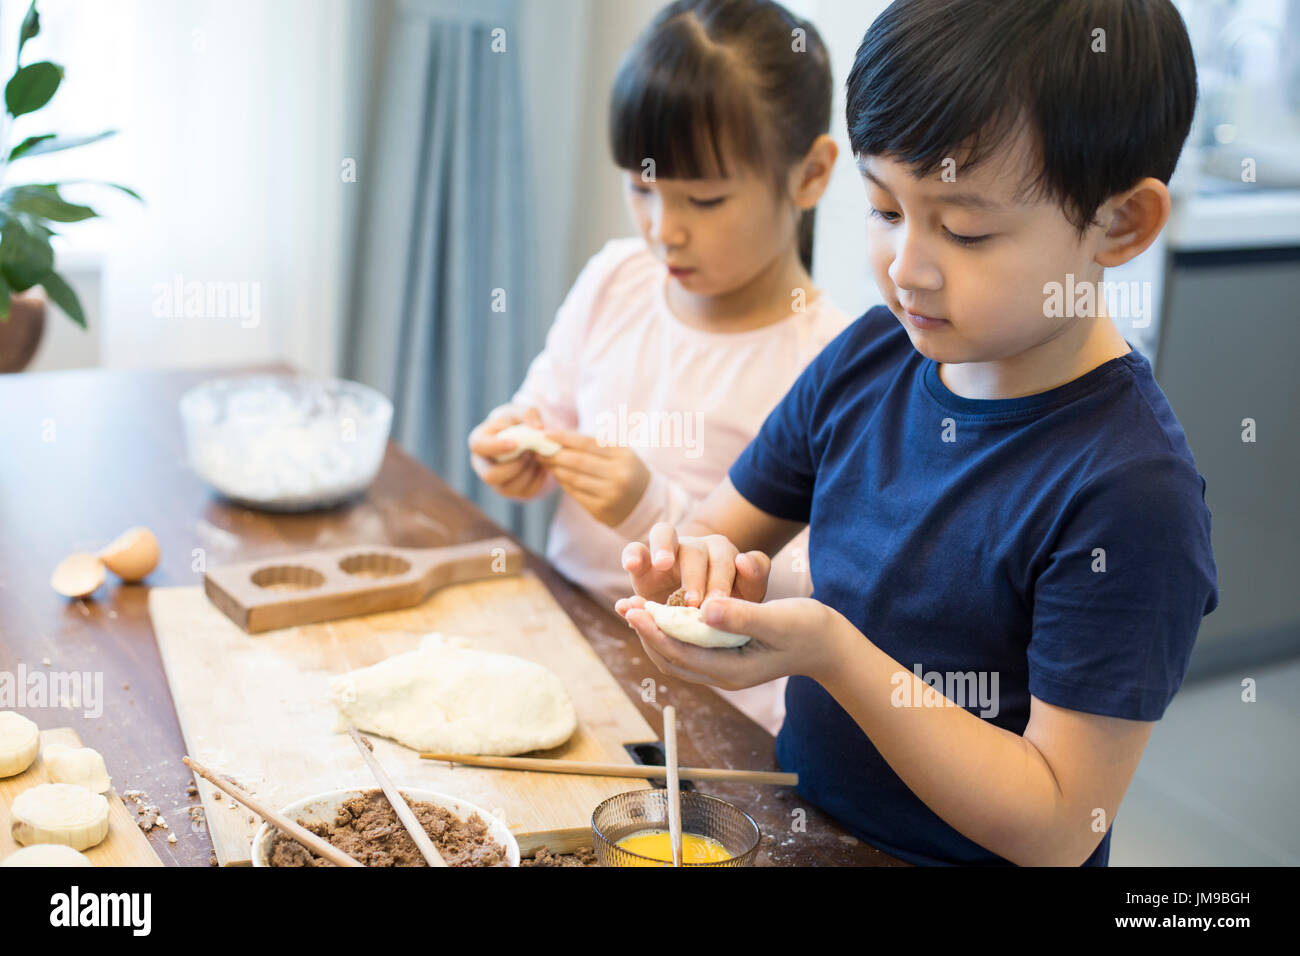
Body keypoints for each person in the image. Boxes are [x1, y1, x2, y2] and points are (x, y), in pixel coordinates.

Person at [619, 0, 1219, 866]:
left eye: (966, 229)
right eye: (886, 209)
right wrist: (693, 575)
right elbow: (718, 528)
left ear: (1120, 224)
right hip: (804, 833)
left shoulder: (1128, 492)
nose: (906, 269)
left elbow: (1057, 823)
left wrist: (833, 653)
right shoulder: (871, 355)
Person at [468, 0, 852, 733]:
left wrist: (650, 509)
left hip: (718, 710)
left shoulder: (831, 361)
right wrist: (514, 441)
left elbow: (798, 598)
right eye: (642, 187)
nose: (662, 229)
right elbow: (546, 404)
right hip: (570, 639)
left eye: (703, 199)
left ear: (809, 175)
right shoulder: (618, 278)